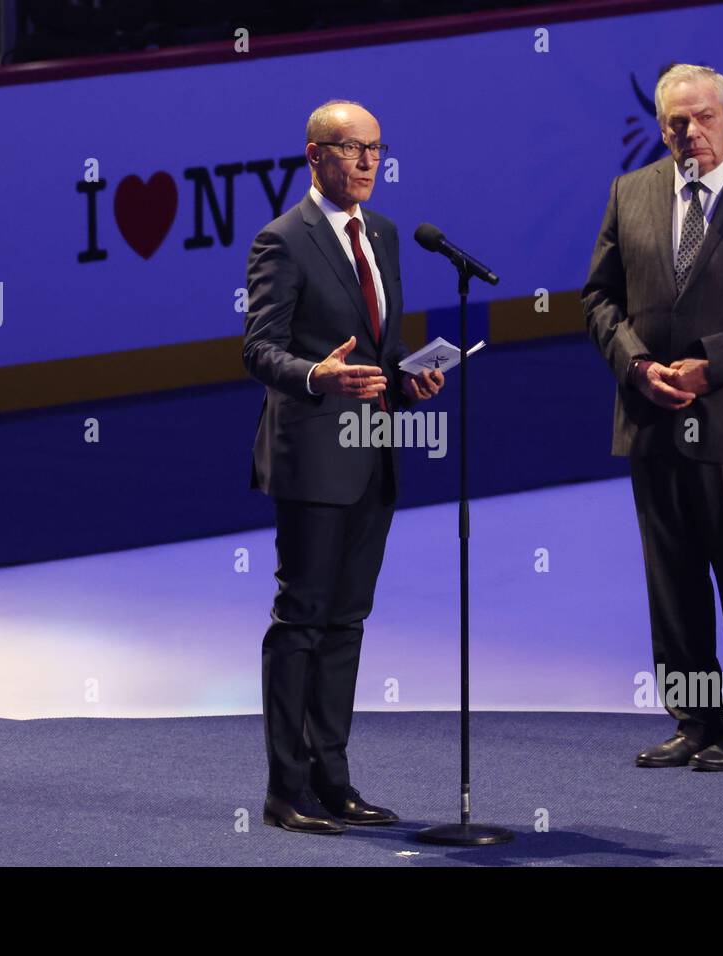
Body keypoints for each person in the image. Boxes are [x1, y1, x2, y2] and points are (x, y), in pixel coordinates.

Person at [582, 64, 723, 771]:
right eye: (678, 122)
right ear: (661, 127)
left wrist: (710, 367)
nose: (692, 132)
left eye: (705, 117)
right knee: (673, 583)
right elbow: (598, 299)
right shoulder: (632, 192)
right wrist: (637, 365)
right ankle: (695, 719)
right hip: (653, 421)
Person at [243, 99, 445, 832]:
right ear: (315, 157)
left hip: (372, 452)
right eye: (351, 149)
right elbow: (258, 350)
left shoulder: (384, 235)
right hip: (311, 458)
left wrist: (407, 379)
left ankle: (334, 779)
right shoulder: (282, 241)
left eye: (376, 150)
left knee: (347, 621)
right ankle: (283, 791)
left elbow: (376, 350)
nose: (367, 162)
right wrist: (316, 377)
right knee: (301, 619)